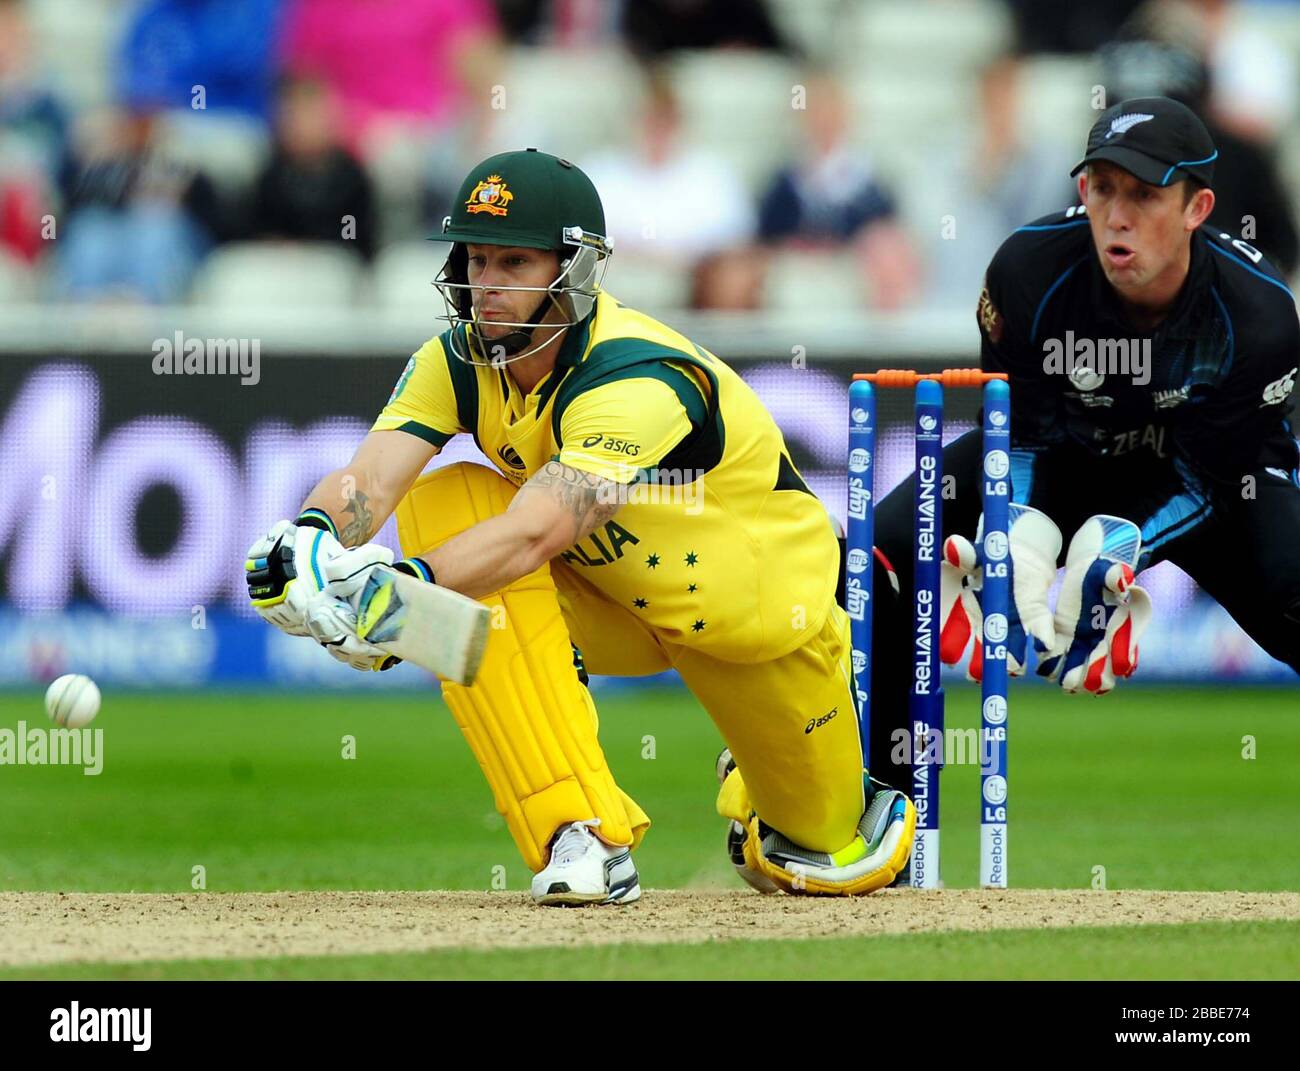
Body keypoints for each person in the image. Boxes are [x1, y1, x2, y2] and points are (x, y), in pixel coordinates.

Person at [243, 149, 914, 904]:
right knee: (451, 494)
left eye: (515, 262)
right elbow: (371, 479)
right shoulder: (456, 359)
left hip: (753, 617)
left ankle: (758, 797)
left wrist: (404, 588)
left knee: (824, 856)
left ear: (577, 270)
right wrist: (309, 538)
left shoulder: (637, 376)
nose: (484, 284)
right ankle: (581, 833)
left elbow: (540, 528)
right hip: (605, 599)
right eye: (475, 257)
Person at [867, 97, 1299, 793]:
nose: (1118, 216)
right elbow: (1024, 431)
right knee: (874, 553)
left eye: (1146, 195)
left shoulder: (1258, 315)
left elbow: (1213, 478)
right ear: (1081, 192)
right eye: (1103, 189)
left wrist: (1122, 546)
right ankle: (881, 803)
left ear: (1197, 208)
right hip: (1061, 455)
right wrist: (1022, 541)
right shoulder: (1028, 271)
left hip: (1207, 480)